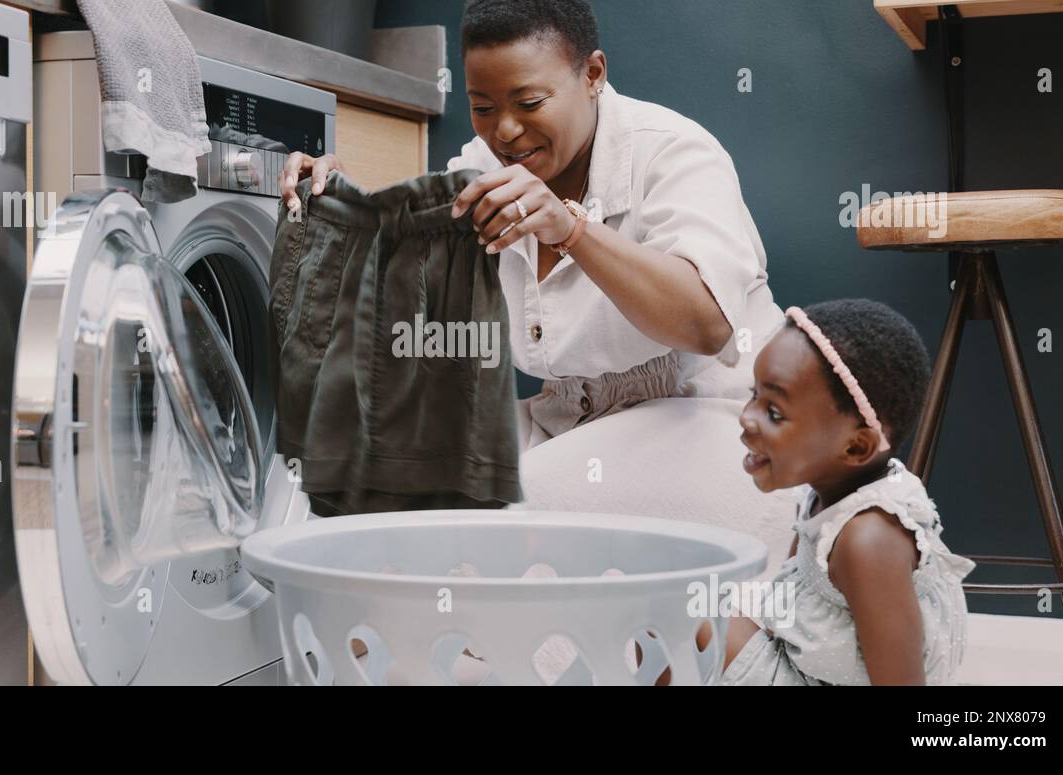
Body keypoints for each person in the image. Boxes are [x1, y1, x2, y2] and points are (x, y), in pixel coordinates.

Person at [279, 0, 796, 568]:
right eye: (482, 106)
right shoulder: (488, 161)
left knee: (506, 521)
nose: (505, 130)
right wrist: (344, 199)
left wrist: (572, 228)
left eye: (529, 103)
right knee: (375, 502)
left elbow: (706, 322)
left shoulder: (674, 153)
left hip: (718, 430)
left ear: (593, 74)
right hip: (568, 425)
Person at [720, 299, 976, 685]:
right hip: (804, 666)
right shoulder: (829, 492)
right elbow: (791, 589)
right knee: (675, 610)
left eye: (774, 412)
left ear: (856, 448)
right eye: (755, 394)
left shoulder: (868, 540)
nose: (746, 416)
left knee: (673, 622)